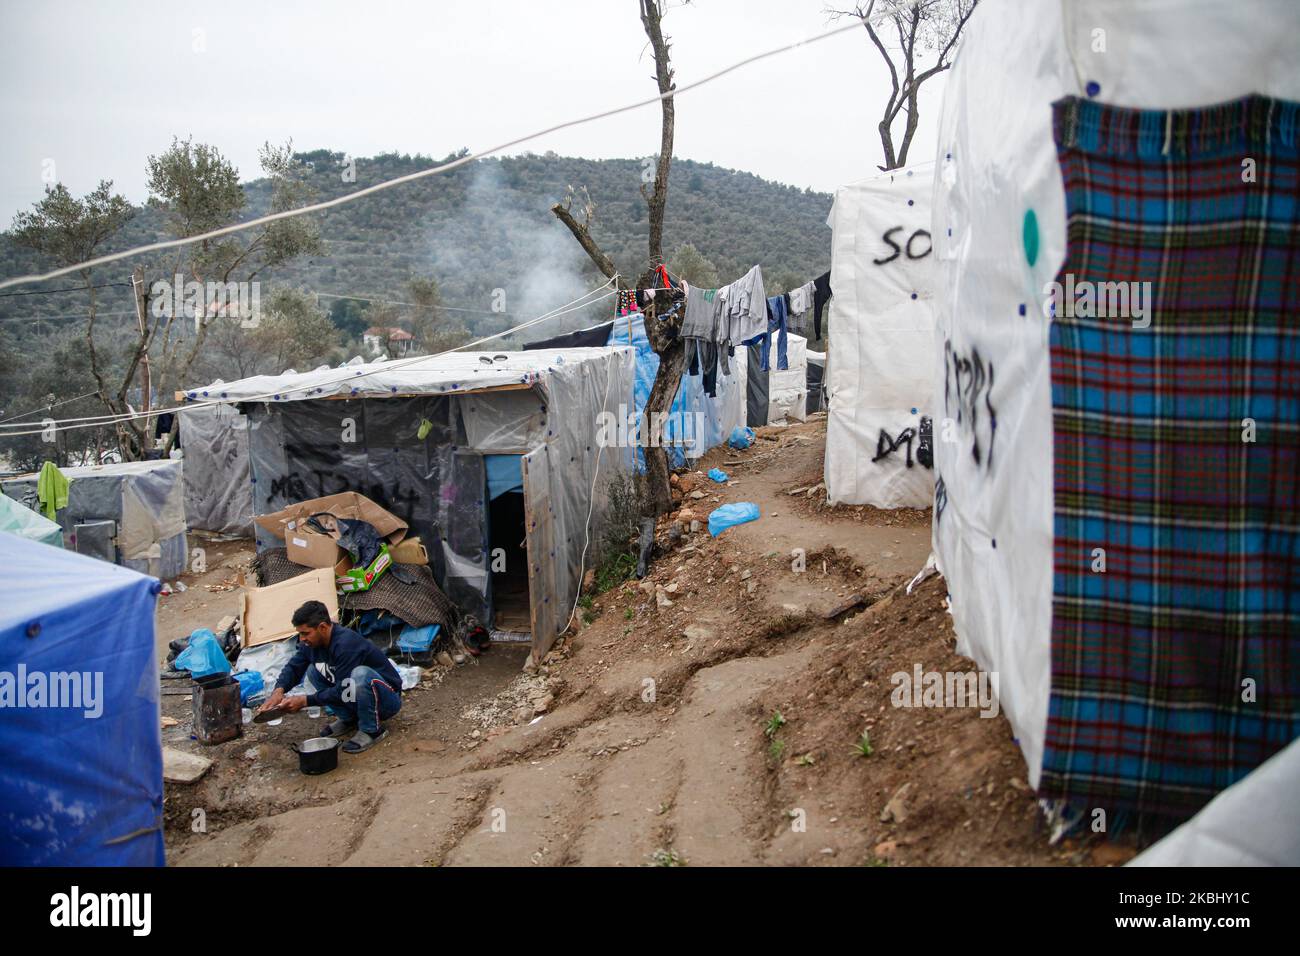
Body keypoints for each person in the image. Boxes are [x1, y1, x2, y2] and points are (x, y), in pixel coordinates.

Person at [256, 600, 402, 753]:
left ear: (323, 627)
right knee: (314, 671)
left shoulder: (346, 644)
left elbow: (343, 689)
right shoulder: (310, 645)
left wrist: (305, 701)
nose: (302, 639)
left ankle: (371, 730)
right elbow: (294, 667)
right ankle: (350, 719)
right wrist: (278, 691)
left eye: (305, 633)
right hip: (355, 696)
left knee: (360, 675)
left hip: (386, 701)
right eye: (299, 633)